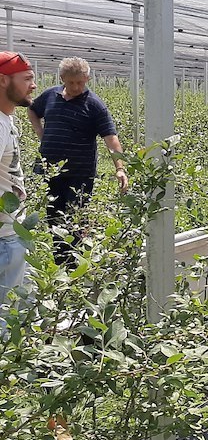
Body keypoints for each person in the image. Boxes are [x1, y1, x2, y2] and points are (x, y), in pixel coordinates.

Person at [27, 57, 128, 244]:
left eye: (80, 82)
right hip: (50, 170)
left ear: (87, 79)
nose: (75, 87)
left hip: (80, 173)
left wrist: (119, 168)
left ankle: (74, 262)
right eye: (71, 82)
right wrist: (41, 132)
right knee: (54, 216)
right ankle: (59, 259)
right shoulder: (50, 95)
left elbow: (110, 137)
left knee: (76, 217)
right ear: (62, 78)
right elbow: (32, 110)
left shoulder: (94, 105)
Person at [0, 52, 36, 302]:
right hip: (4, 239)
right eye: (27, 78)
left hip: (12, 234)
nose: (33, 85)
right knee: (7, 320)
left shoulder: (7, 119)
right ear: (3, 80)